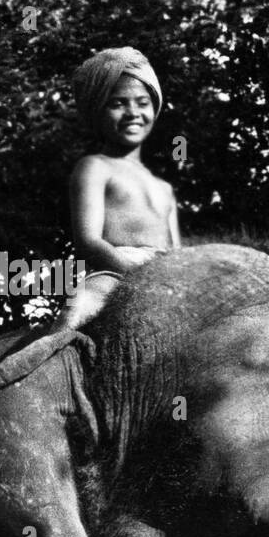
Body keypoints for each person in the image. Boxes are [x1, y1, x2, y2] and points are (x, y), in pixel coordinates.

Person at [59, 47, 180, 328]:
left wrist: (173, 283)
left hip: (168, 279)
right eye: (117, 104)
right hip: (112, 274)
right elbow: (89, 242)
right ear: (97, 112)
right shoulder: (95, 167)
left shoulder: (163, 188)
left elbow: (177, 251)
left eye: (142, 102)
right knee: (74, 317)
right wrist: (139, 277)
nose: (133, 112)